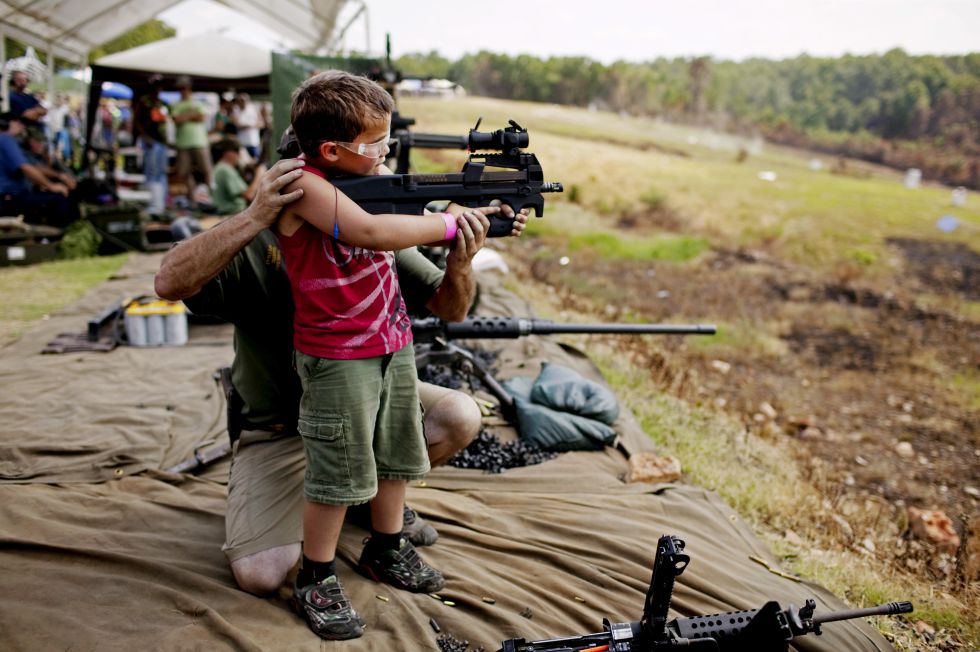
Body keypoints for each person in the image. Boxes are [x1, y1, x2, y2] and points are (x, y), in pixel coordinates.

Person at [155, 147, 525, 640]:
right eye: (371, 155)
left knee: (458, 415)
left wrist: (463, 256)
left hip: (369, 395)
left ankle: (364, 506)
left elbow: (450, 307)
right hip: (280, 428)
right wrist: (253, 215)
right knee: (262, 574)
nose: (382, 164)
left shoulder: (375, 220)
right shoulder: (259, 236)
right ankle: (331, 509)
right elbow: (168, 281)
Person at [273, 69, 527, 640]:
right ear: (332, 149)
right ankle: (315, 574)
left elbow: (406, 211)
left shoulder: (364, 175)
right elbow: (365, 230)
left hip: (392, 346)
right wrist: (444, 223)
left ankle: (386, 547)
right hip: (338, 357)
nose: (386, 156)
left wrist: (484, 219)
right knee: (338, 471)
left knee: (394, 455)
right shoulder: (301, 183)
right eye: (376, 146)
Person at [0, 112, 74, 226]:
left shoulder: (8, 141)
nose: (22, 126)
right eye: (18, 122)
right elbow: (26, 168)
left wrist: (58, 176)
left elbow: (34, 167)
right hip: (9, 198)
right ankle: (56, 238)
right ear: (5, 124)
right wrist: (51, 186)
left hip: (12, 196)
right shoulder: (5, 139)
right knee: (59, 199)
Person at [170, 76, 212, 204]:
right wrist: (191, 114)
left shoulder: (197, 102)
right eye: (181, 88)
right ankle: (193, 199)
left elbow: (201, 117)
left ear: (189, 88)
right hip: (183, 143)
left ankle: (209, 196)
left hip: (200, 141)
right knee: (184, 172)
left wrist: (185, 116)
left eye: (185, 88)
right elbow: (176, 120)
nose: (183, 91)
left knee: (206, 170)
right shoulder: (175, 104)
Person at [132, 74, 169, 214]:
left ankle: (162, 203)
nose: (158, 89)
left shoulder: (162, 103)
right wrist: (144, 136)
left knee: (161, 172)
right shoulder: (144, 101)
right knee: (152, 172)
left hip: (161, 142)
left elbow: (166, 122)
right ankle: (155, 205)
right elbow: (137, 120)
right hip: (150, 141)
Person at [210, 138, 264, 215]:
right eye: (236, 151)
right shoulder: (225, 169)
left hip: (229, 213)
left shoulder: (219, 168)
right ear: (228, 153)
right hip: (232, 214)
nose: (238, 155)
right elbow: (249, 195)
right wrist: (259, 174)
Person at [232, 93, 261, 160]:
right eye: (240, 101)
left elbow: (261, 123)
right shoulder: (235, 110)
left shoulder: (253, 109)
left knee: (255, 161)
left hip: (253, 142)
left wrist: (250, 125)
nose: (242, 102)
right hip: (241, 142)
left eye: (243, 100)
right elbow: (235, 123)